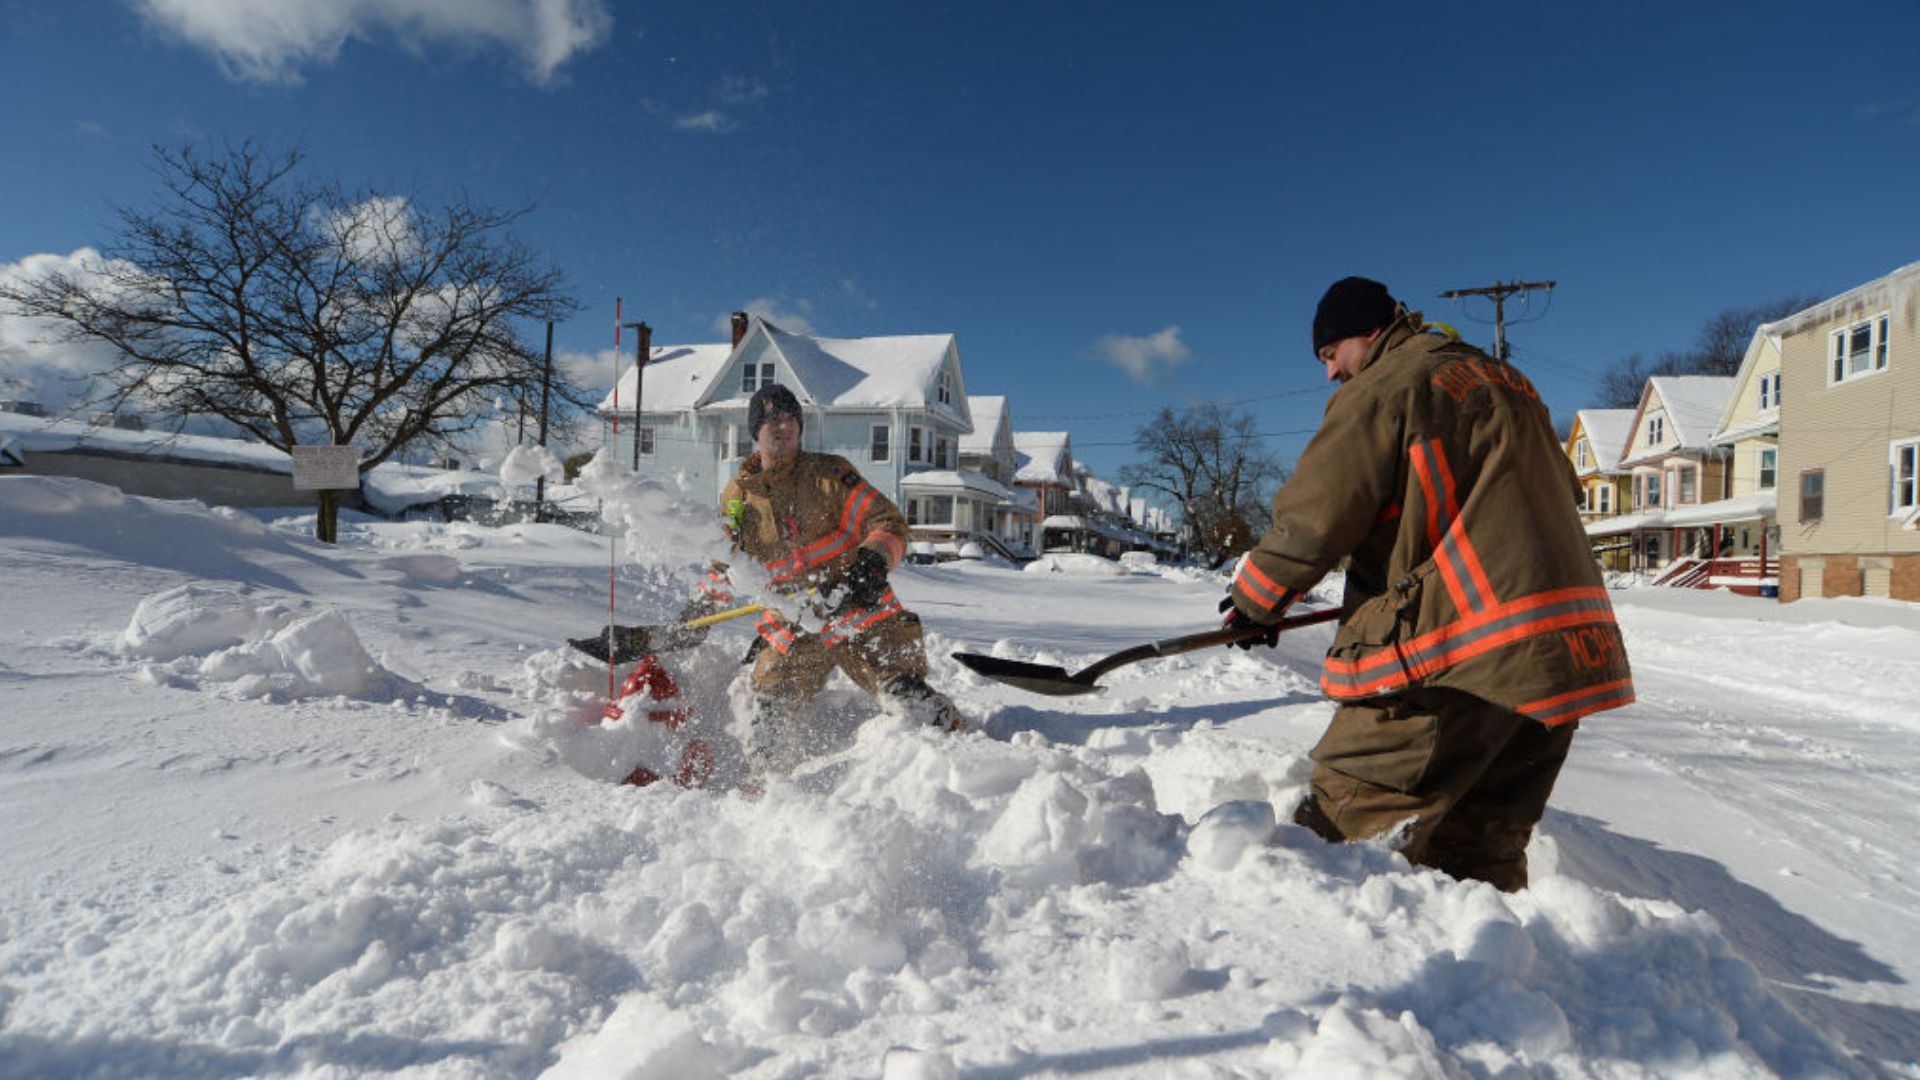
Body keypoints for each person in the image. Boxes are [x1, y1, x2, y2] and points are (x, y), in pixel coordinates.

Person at [1219, 276, 1634, 891]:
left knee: (1333, 853)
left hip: (1456, 661)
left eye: (1331, 355)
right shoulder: (1510, 384)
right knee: (1476, 864)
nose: (1331, 375)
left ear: (1366, 333)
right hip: (1555, 670)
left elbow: (1318, 512)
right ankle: (1483, 984)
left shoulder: (1388, 386)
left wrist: (1256, 598)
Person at [700, 382, 966, 774]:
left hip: (860, 611)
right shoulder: (737, 497)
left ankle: (966, 760)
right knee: (769, 723)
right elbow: (723, 563)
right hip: (792, 624)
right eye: (772, 420)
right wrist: (700, 607)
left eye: (791, 418)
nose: (783, 427)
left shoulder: (831, 475)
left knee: (911, 703)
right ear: (755, 430)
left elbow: (888, 524)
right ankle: (766, 799)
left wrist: (868, 568)